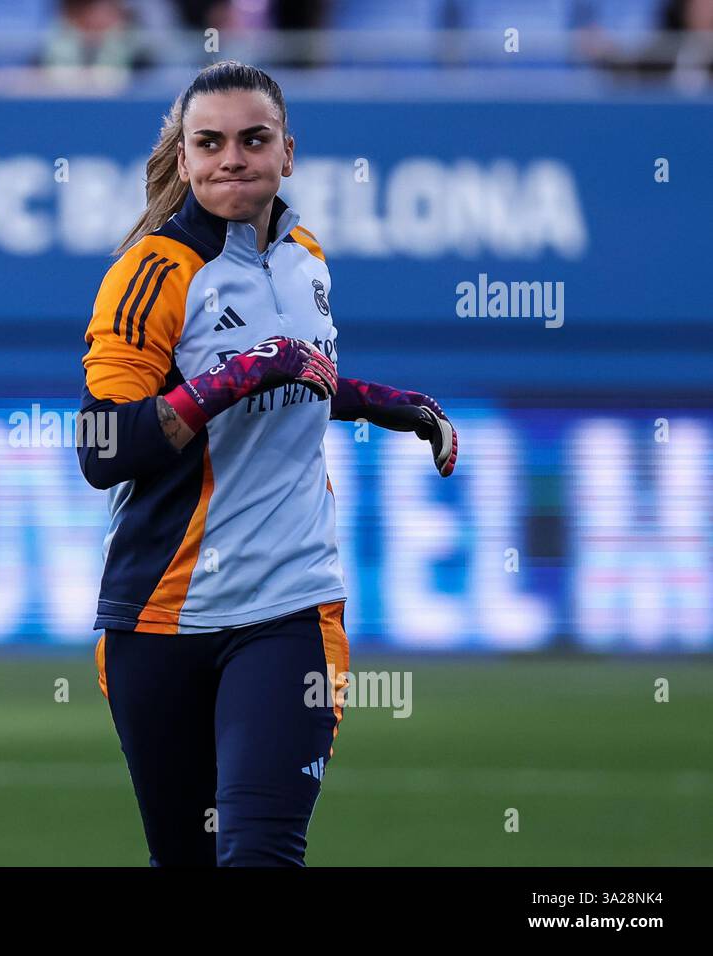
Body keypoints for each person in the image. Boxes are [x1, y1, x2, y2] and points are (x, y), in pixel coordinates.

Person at [75, 59, 457, 866]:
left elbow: (299, 379)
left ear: (290, 152)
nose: (232, 159)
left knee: (260, 852)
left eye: (255, 140)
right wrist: (227, 379)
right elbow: (103, 451)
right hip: (161, 615)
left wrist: (388, 404)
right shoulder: (153, 273)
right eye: (209, 143)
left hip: (291, 608)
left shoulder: (306, 256)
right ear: (184, 160)